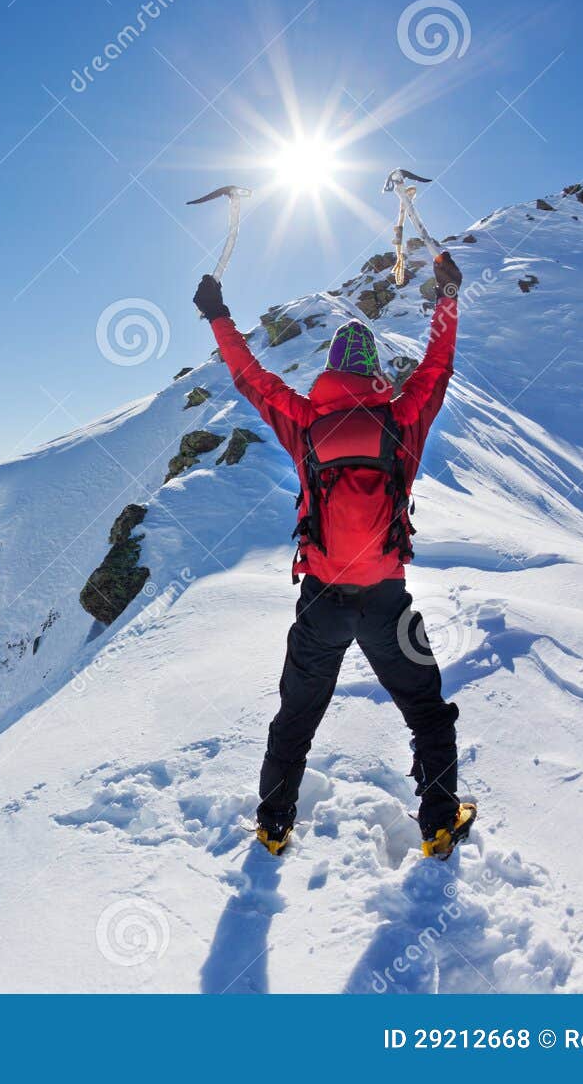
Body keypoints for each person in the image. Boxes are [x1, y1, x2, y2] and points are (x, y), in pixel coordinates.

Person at [192, 252, 476, 859]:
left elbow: (248, 377)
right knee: (426, 710)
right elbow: (438, 366)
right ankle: (440, 822)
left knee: (297, 714)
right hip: (387, 603)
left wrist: (217, 315)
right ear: (375, 370)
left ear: (330, 369)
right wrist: (446, 295)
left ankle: (273, 826)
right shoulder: (403, 418)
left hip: (320, 600)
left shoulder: (304, 421)